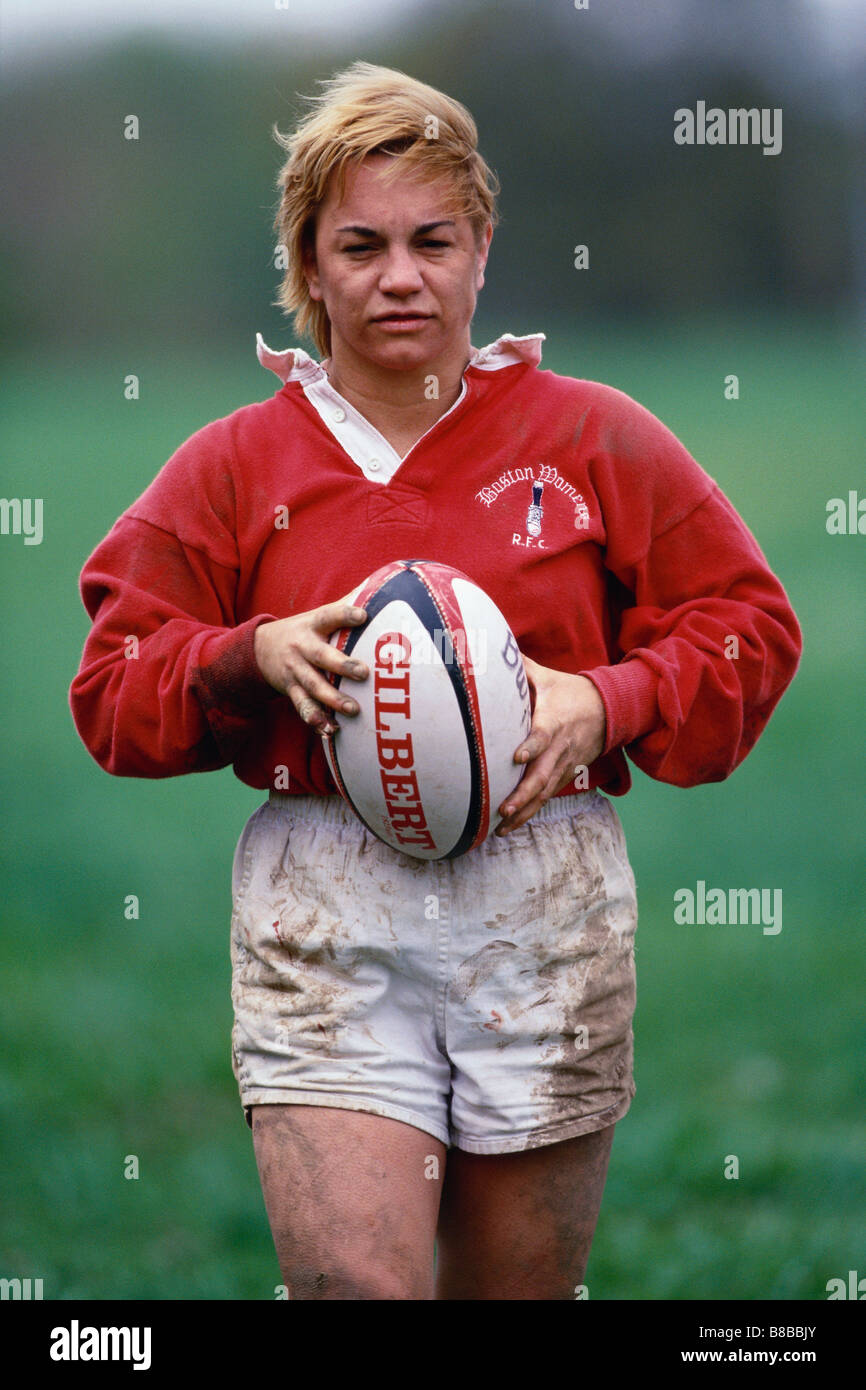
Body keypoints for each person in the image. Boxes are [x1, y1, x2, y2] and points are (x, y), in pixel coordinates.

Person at [69, 60, 802, 1300]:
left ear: (480, 247)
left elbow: (750, 627)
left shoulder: (594, 435)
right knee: (355, 1290)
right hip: (323, 901)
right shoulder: (235, 464)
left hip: (545, 900)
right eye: (358, 244)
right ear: (307, 261)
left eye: (431, 240)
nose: (399, 275)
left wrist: (603, 700)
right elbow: (111, 682)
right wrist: (246, 657)